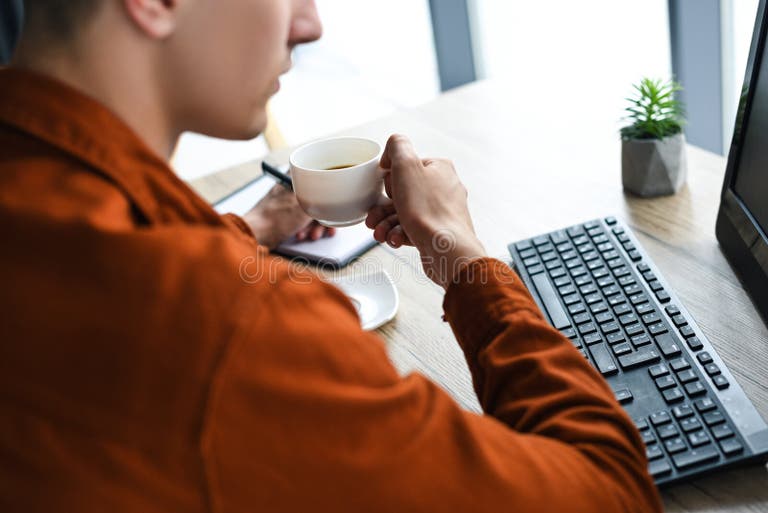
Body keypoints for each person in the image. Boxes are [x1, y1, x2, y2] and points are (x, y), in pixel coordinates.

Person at [0, 1, 662, 512]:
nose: (310, 25)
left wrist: (245, 225)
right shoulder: (237, 333)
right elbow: (614, 490)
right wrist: (462, 258)